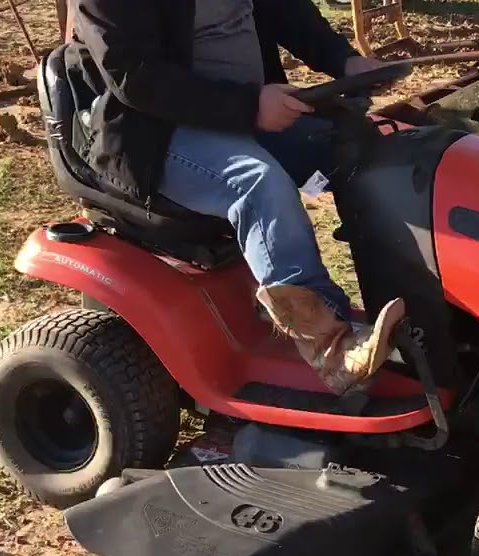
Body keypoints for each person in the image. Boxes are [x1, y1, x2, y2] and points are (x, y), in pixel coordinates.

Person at [72, 0, 406, 396]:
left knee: (361, 149)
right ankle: (331, 351)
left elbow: (284, 10)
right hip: (158, 133)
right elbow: (136, 77)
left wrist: (344, 60)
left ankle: (414, 307)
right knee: (258, 184)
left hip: (243, 111)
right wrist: (250, 107)